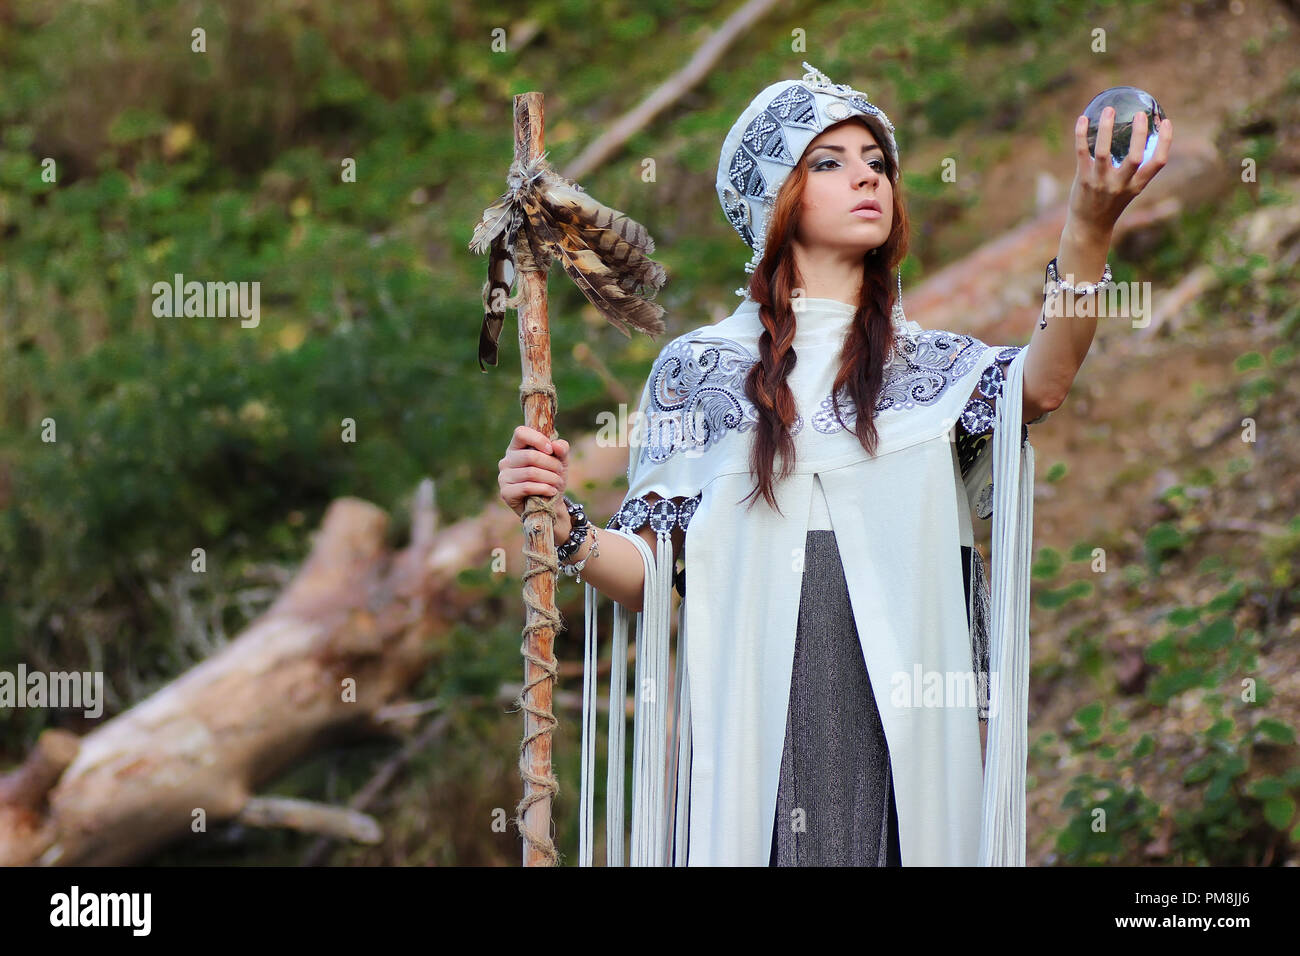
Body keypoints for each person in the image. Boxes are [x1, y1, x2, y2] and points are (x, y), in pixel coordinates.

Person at [498, 63, 1170, 866]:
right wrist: (560, 520)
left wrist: (1088, 227)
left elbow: (1046, 380)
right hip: (763, 731)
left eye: (877, 162)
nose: (867, 177)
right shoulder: (699, 371)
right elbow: (653, 573)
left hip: (907, 732)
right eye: (829, 162)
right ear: (776, 200)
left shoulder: (930, 368)